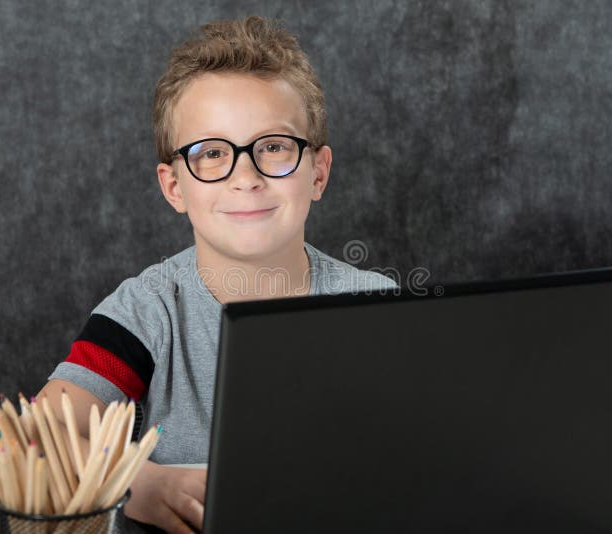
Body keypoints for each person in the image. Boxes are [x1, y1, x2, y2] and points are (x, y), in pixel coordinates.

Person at [37, 15, 398, 533]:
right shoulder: (146, 312)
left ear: (317, 172)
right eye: (211, 154)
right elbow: (40, 435)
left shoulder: (376, 306)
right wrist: (140, 484)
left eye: (273, 146)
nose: (245, 177)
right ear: (174, 187)